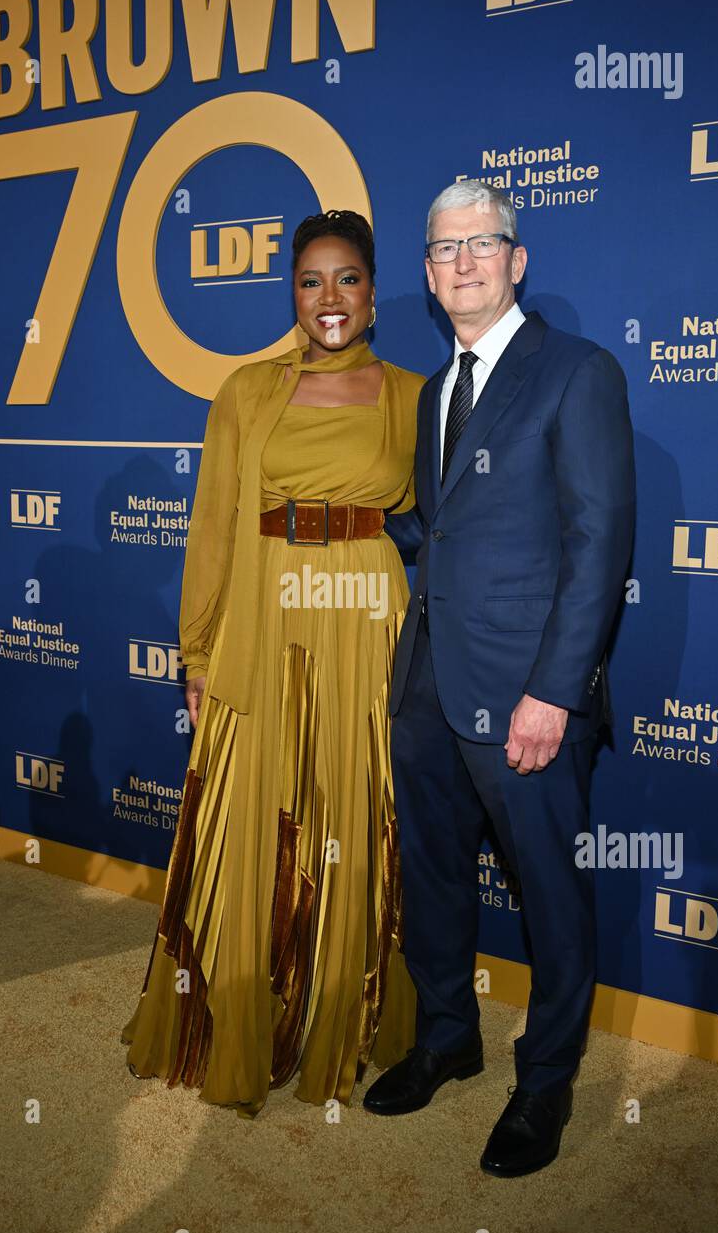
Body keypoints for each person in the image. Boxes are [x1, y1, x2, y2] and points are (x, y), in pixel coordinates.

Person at [121, 210, 425, 1118]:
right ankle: (245, 1009)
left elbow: (452, 522)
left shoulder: (417, 393)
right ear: (290, 294)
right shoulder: (247, 392)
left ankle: (348, 1012)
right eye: (309, 281)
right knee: (252, 808)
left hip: (368, 610)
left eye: (347, 280)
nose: (329, 298)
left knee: (358, 806)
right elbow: (212, 524)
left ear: (373, 293)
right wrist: (200, 645)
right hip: (264, 607)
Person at [363, 180, 636, 1178]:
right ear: (429, 276)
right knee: (431, 873)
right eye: (443, 250)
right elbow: (443, 533)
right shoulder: (435, 389)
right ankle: (445, 1035)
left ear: (516, 260)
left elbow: (596, 543)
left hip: (525, 693)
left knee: (548, 890)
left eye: (482, 244)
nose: (462, 262)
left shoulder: (576, 372)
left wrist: (552, 692)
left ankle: (545, 1077)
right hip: (429, 681)